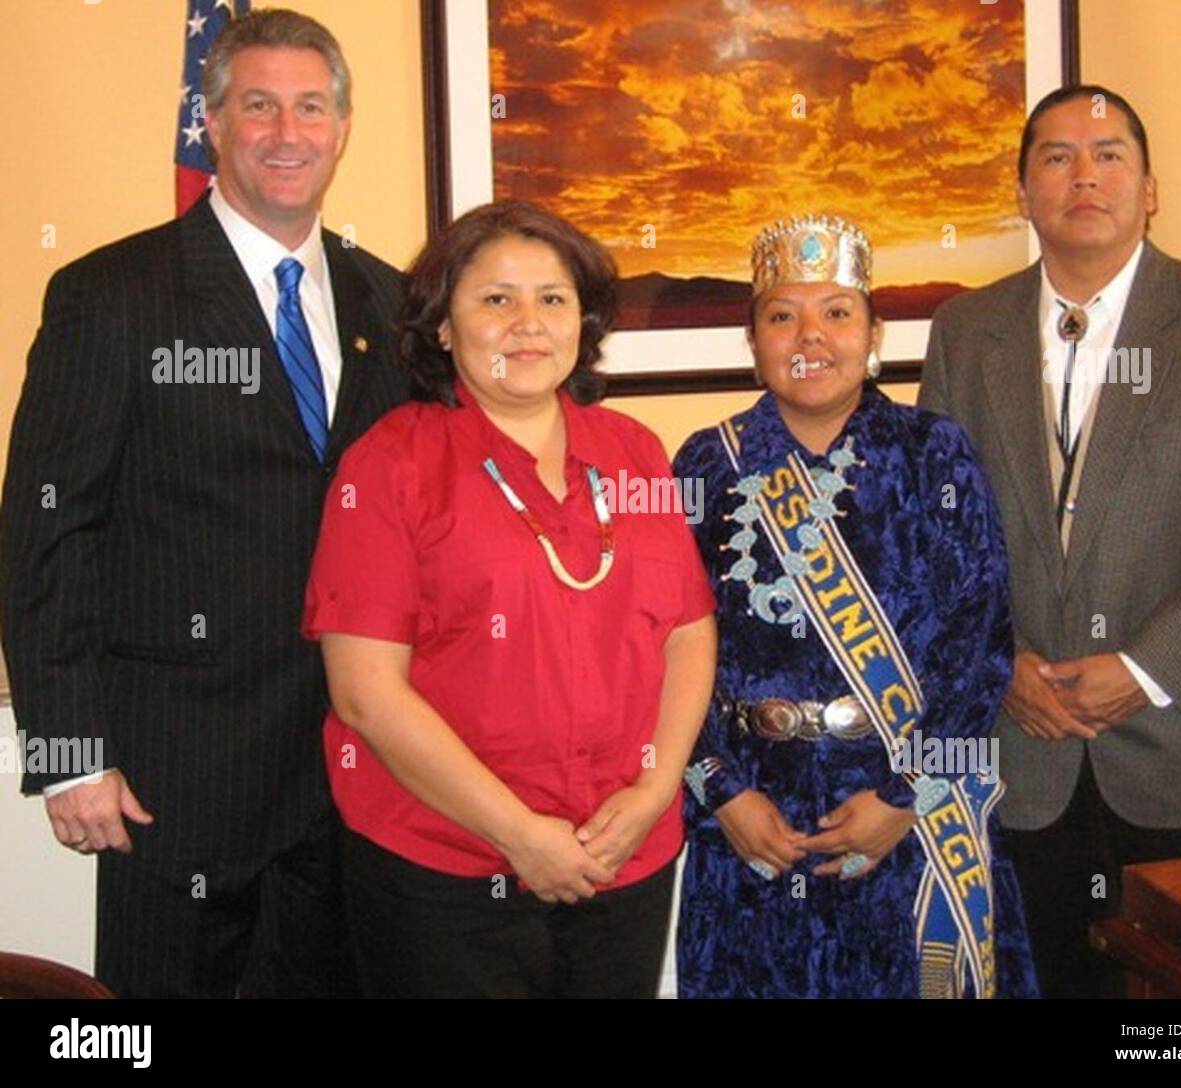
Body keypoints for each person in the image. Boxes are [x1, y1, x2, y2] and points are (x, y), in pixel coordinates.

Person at [0, 9, 413, 997]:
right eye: (258, 105)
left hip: (350, 781)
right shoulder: (113, 294)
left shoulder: (389, 303)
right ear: (214, 123)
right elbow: (44, 531)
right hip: (171, 781)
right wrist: (68, 750)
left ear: (342, 127)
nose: (286, 131)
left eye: (311, 107)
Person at [918, 85, 1181, 998]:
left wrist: (1143, 667)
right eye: (1055, 156)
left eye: (1109, 154)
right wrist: (997, 660)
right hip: (1024, 753)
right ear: (1022, 192)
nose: (1083, 174)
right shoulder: (965, 332)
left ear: (1150, 187)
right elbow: (939, 533)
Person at [302, 200, 717, 998]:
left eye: (553, 299)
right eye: (496, 299)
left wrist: (655, 791)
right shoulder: (389, 464)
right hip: (447, 874)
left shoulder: (633, 453)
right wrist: (520, 836)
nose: (528, 322)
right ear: (445, 328)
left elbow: (688, 633)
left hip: (623, 859)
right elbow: (365, 694)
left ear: (583, 323)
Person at [672, 214, 1037, 998]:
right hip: (753, 819)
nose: (810, 336)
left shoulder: (934, 452)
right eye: (782, 315)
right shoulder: (707, 462)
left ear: (873, 335)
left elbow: (980, 648)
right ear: (753, 342)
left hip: (905, 815)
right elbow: (670, 644)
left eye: (837, 312)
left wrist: (909, 795)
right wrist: (723, 790)